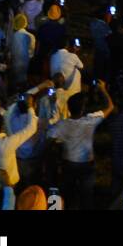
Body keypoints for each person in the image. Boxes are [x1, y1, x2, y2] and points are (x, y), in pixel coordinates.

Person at [48, 80, 115, 210]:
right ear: (83, 108)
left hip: (68, 164)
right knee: (87, 197)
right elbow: (110, 106)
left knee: (68, 197)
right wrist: (103, 89)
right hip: (87, 165)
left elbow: (50, 137)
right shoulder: (90, 120)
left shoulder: (62, 125)